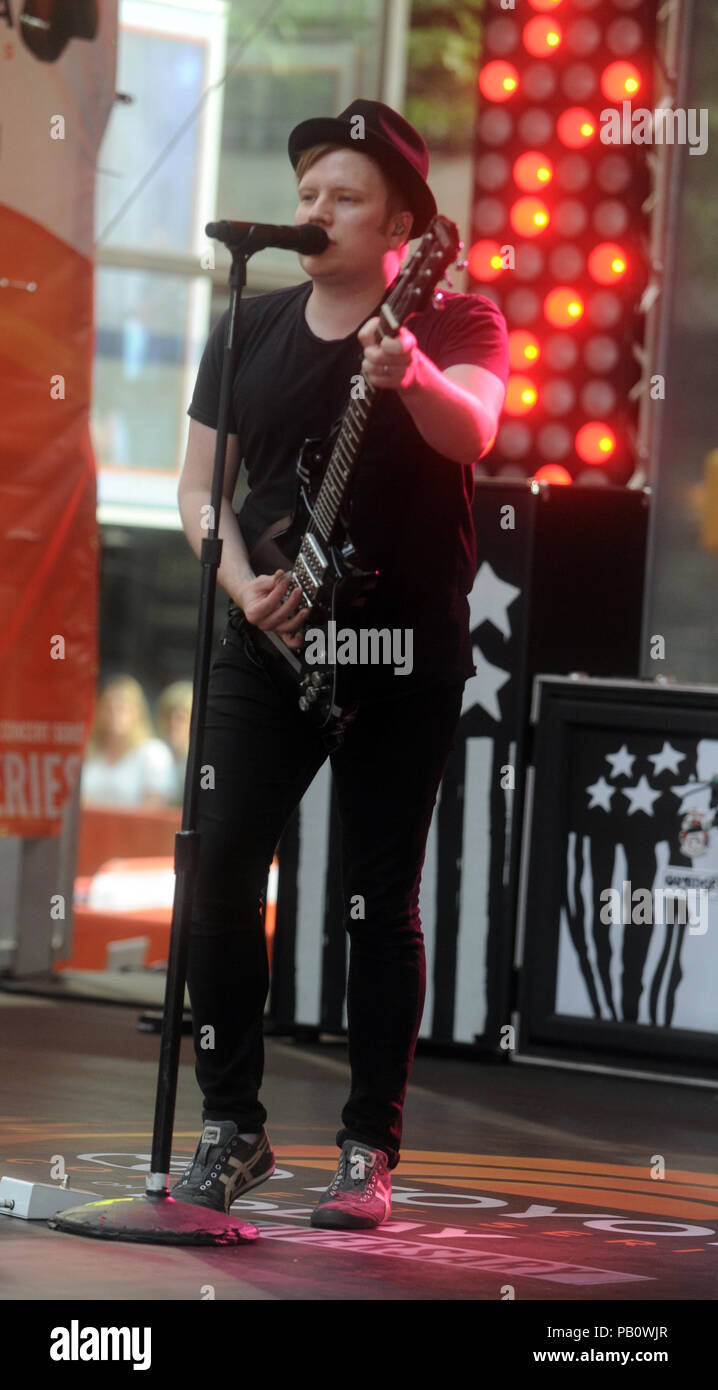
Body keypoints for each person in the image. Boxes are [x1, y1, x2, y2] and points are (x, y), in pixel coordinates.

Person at [173, 99, 508, 1228]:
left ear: (401, 224)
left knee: (378, 898)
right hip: (265, 642)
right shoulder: (247, 326)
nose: (315, 211)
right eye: (308, 191)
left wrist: (409, 373)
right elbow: (195, 492)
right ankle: (233, 1124)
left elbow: (478, 432)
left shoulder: (458, 324)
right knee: (216, 869)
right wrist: (238, 588)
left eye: (344, 196)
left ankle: (368, 1147)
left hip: (397, 651)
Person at [81, 674, 176, 808]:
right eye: (108, 706)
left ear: (137, 712)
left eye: (121, 707)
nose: (114, 713)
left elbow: (154, 807)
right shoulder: (88, 750)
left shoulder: (154, 753)